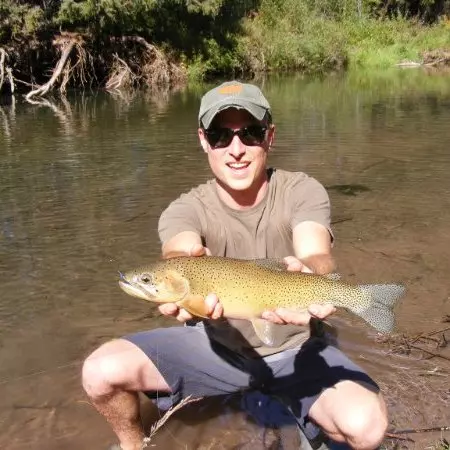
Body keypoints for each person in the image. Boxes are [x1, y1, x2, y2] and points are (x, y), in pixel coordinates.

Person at [82, 81, 388, 450]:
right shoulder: (185, 209)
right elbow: (179, 253)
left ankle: (310, 419)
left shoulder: (301, 190)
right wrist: (177, 269)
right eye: (220, 135)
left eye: (251, 133)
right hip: (217, 351)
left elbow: (316, 252)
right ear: (203, 140)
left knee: (366, 426)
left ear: (270, 137)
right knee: (100, 372)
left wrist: (311, 269)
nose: (236, 150)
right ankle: (134, 446)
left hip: (298, 350)